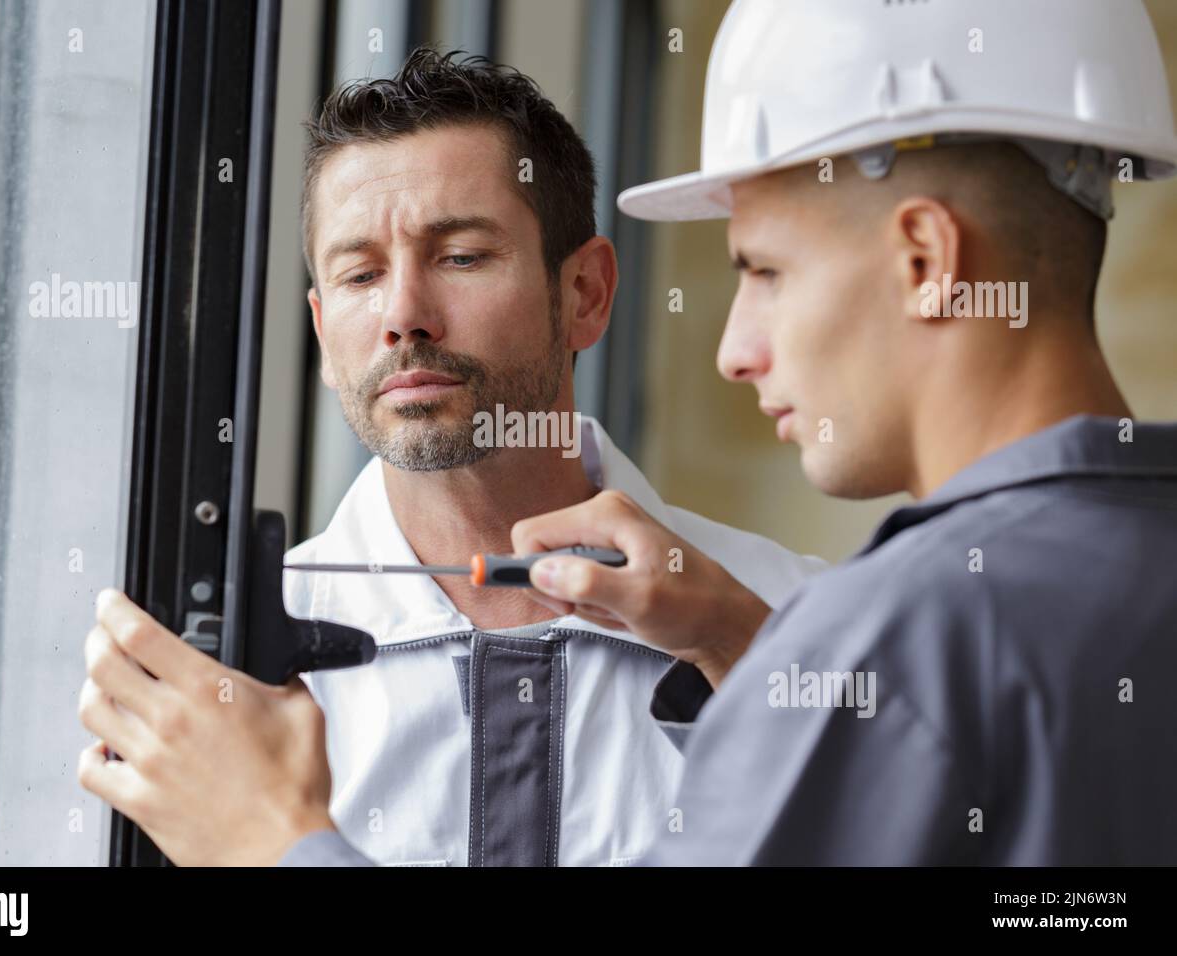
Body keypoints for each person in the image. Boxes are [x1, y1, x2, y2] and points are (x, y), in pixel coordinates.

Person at [273, 0, 1177, 865]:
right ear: (318, 325)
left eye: (766, 269)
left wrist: (263, 843)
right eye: (357, 276)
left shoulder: (870, 629)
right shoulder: (239, 656)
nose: (735, 350)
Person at [76, 48, 819, 867]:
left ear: (585, 294)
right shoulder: (212, 696)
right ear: (324, 333)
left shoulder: (803, 627)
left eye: (461, 256)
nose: (404, 316)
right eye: (360, 275)